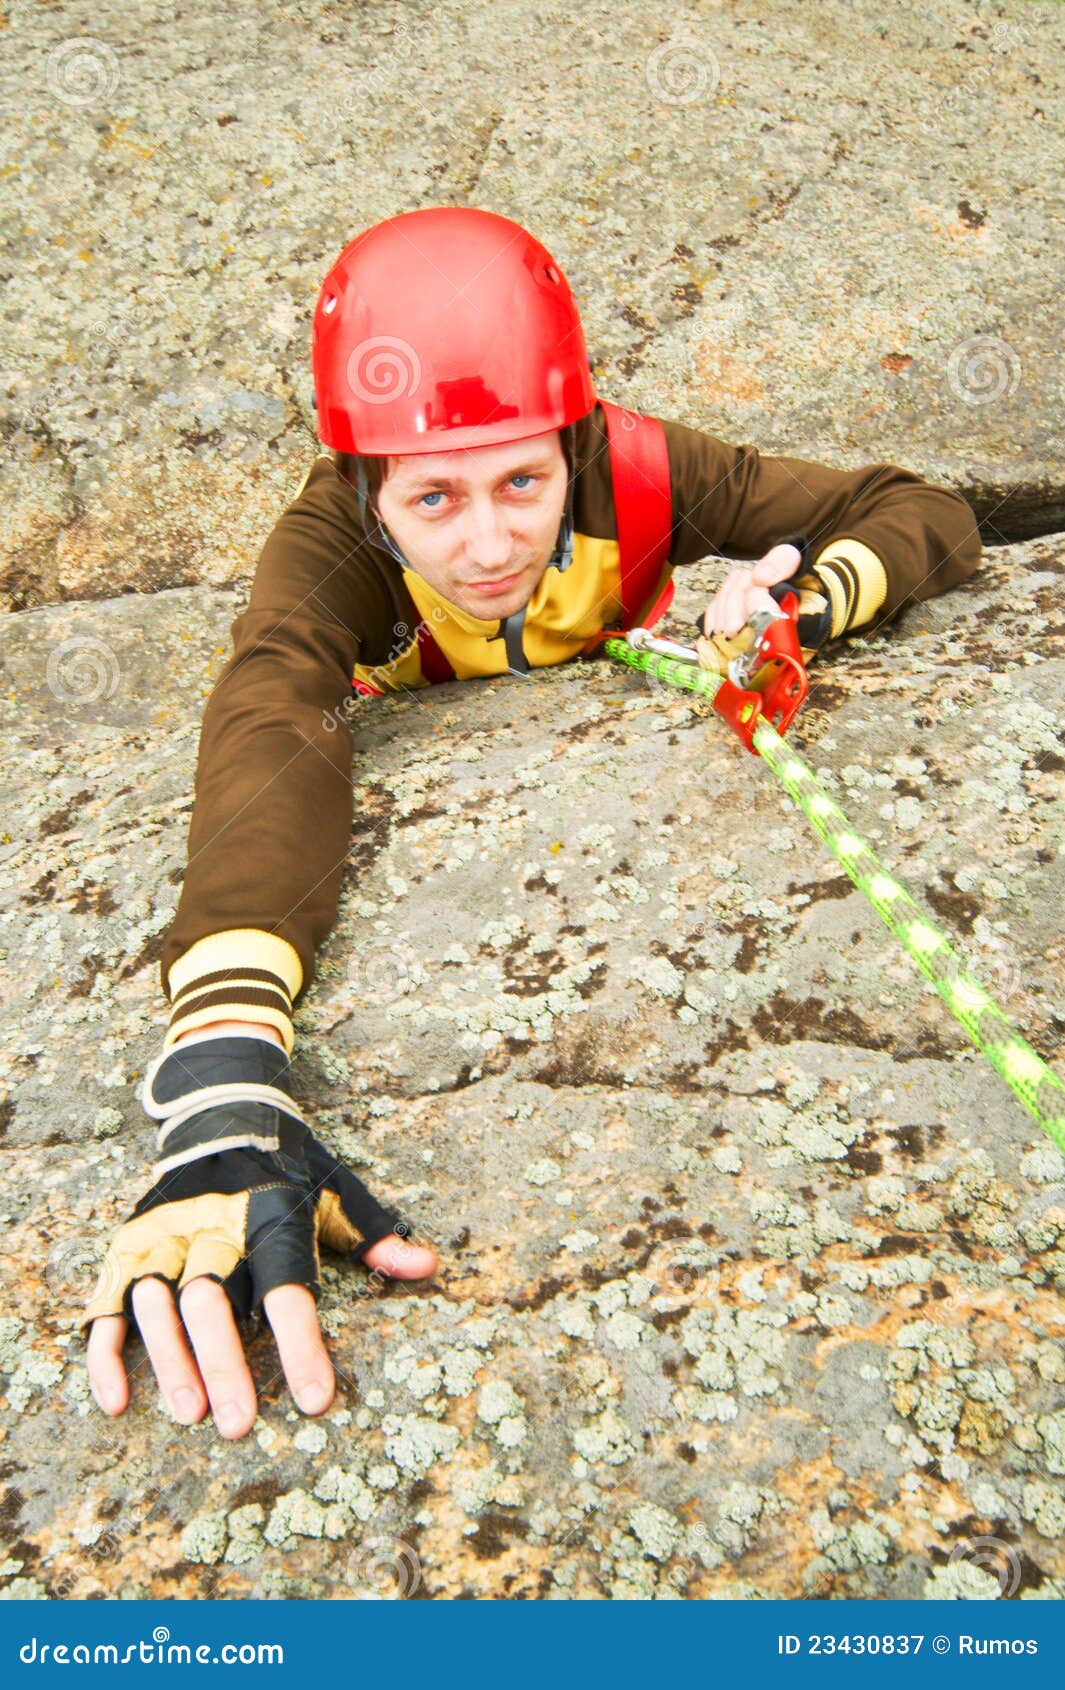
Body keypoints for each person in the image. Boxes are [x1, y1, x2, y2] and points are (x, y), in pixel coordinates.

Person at [80, 207, 982, 1439]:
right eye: (433, 499)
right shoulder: (330, 547)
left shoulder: (644, 466)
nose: (491, 541)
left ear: (572, 442)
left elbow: (907, 503)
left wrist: (809, 608)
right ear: (365, 490)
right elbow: (273, 705)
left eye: (522, 480)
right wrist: (224, 1072)